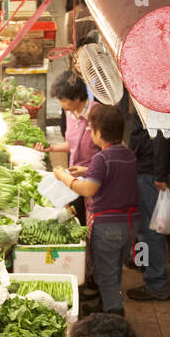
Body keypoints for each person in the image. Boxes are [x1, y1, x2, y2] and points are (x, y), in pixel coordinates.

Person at [52, 104, 140, 315]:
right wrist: (85, 169)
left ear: (99, 133)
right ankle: (107, 306)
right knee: (114, 269)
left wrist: (65, 177)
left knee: (105, 273)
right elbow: (112, 175)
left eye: (91, 129)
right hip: (129, 224)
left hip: (108, 227)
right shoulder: (127, 154)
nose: (90, 132)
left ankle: (113, 314)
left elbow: (88, 189)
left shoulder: (101, 158)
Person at [122, 93, 170, 303]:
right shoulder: (157, 92)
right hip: (147, 169)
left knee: (152, 230)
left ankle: (156, 284)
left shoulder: (157, 97)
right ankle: (143, 263)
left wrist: (159, 175)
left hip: (150, 173)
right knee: (142, 227)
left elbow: (160, 138)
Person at [37, 71, 98, 229]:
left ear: (77, 98)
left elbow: (109, 154)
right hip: (75, 182)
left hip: (95, 182)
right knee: (78, 223)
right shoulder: (69, 114)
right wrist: (51, 148)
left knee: (92, 226)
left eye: (63, 100)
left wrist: (87, 170)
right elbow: (72, 144)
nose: (61, 105)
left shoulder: (98, 116)